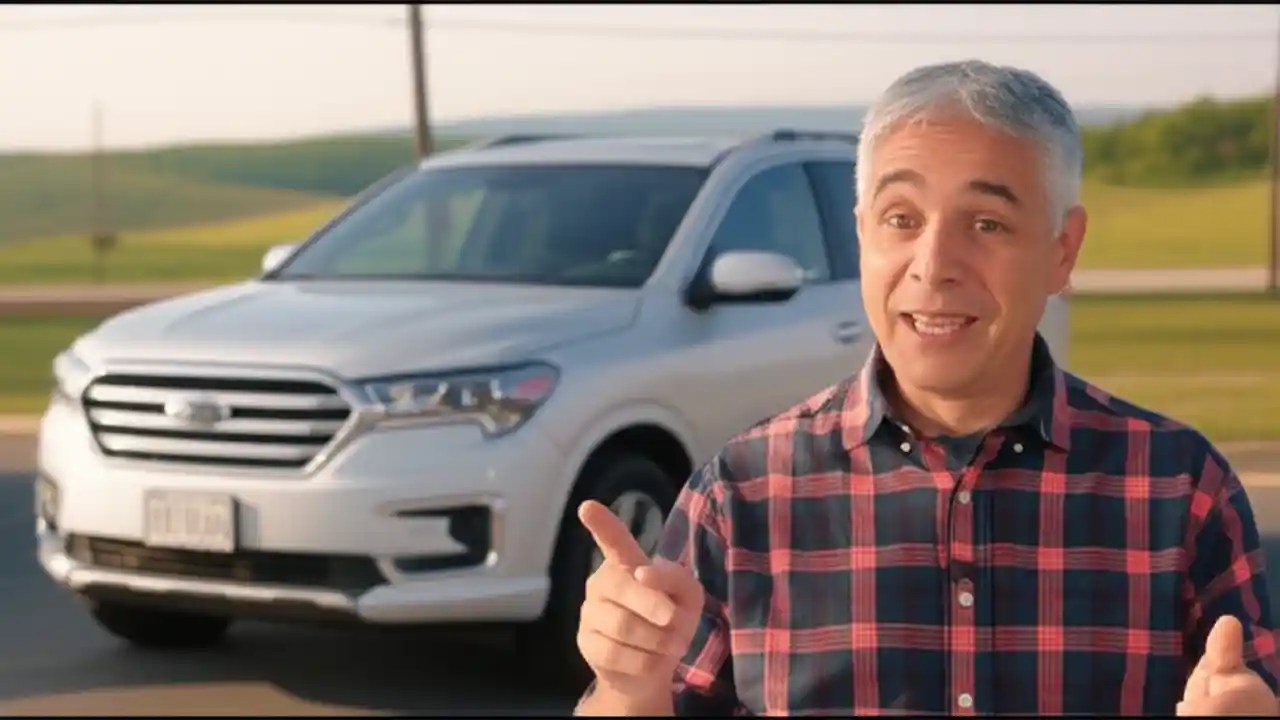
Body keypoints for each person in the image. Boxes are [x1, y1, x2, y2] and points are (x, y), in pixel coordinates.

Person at [571, 59, 1280, 716]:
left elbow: (1247, 690)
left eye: (987, 223)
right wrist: (626, 687)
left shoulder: (1181, 489)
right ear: (862, 237)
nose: (934, 264)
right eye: (901, 219)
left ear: (1062, 251)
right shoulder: (740, 496)